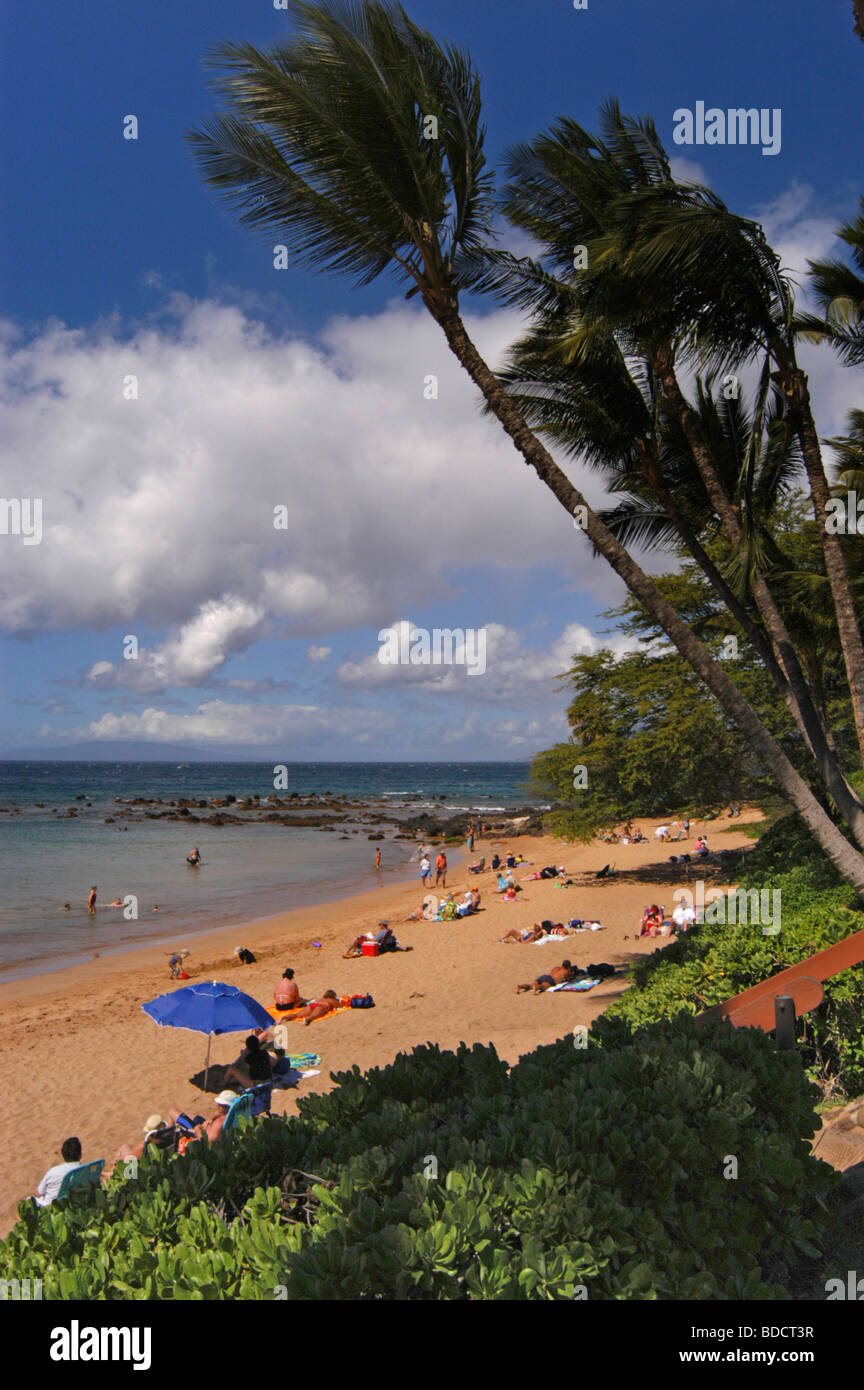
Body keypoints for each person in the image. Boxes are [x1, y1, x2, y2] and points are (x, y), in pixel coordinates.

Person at [35, 1137, 83, 1207]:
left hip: (52, 1206)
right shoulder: (84, 1170)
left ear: (63, 1154)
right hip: (74, 1204)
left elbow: (39, 1193)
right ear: (80, 1155)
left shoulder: (53, 1172)